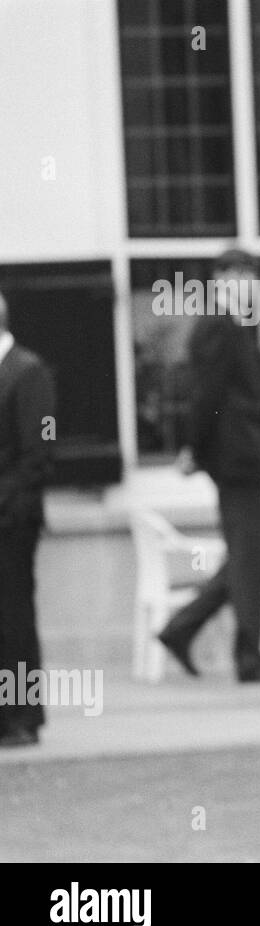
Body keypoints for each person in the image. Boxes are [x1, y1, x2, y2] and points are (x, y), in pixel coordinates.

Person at [156, 248, 260, 683]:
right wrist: (192, 447)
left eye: (252, 276)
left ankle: (183, 628)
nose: (248, 283)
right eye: (241, 274)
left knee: (247, 553)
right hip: (234, 458)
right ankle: (248, 657)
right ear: (221, 277)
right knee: (249, 554)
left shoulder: (236, 323)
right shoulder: (218, 324)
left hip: (243, 456)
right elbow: (207, 396)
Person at [0, 290, 57, 746]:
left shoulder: (27, 371)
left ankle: (22, 715)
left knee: (14, 616)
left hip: (12, 521)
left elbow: (37, 455)